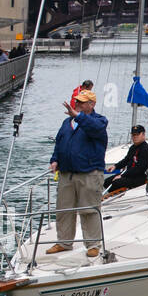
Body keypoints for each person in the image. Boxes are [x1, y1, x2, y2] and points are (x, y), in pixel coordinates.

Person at [47, 89, 109, 257]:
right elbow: (59, 143)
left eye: (82, 102)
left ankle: (93, 244)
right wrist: (55, 160)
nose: (78, 104)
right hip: (67, 174)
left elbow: (94, 129)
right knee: (64, 209)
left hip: (89, 173)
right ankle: (64, 242)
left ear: (92, 104)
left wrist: (78, 116)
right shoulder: (67, 122)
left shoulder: (99, 121)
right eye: (77, 102)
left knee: (89, 210)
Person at [104, 124, 148, 193]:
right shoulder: (133, 147)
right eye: (133, 135)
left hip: (140, 177)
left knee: (115, 182)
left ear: (143, 134)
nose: (135, 137)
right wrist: (115, 166)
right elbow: (126, 160)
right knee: (107, 182)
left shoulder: (145, 149)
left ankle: (122, 194)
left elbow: (139, 168)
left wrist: (122, 175)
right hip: (129, 175)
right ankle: (117, 195)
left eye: (137, 134)